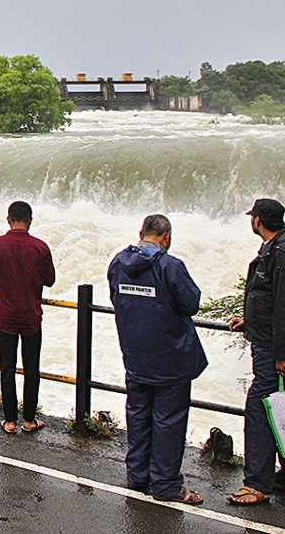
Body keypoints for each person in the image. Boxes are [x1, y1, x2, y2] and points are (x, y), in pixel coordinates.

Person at [108, 214, 208, 505]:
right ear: (166, 237)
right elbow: (191, 303)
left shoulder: (118, 263)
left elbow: (117, 298)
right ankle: (165, 485)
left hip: (135, 355)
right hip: (169, 358)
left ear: (141, 233)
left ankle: (137, 477)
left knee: (138, 414)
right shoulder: (169, 265)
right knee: (168, 420)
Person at [227, 198, 285, 506]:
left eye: (253, 217)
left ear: (258, 222)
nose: (251, 221)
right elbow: (272, 298)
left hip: (275, 348)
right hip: (273, 342)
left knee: (260, 410)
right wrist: (249, 319)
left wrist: (283, 353)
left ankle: (258, 485)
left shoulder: (283, 253)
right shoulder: (278, 247)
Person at [0, 200, 56, 434]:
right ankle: (28, 420)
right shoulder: (40, 247)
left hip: (5, 315)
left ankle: (9, 421)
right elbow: (50, 279)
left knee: (7, 367)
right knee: (31, 368)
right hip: (30, 316)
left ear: (8, 220)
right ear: (30, 221)